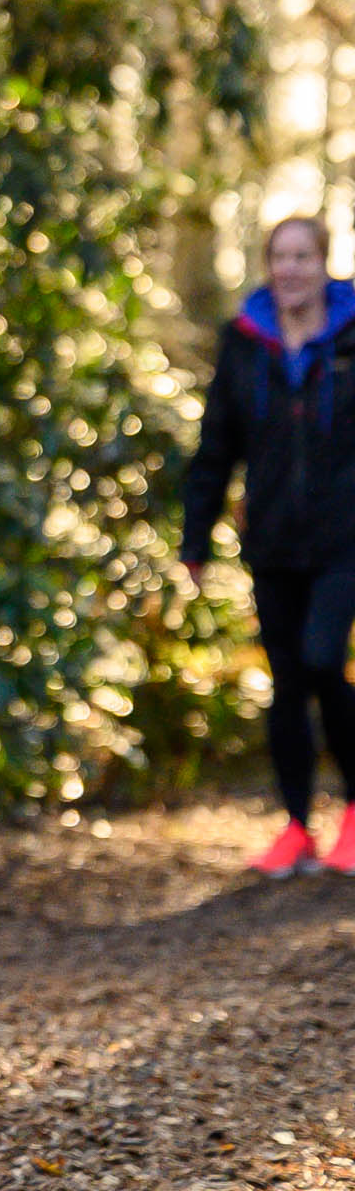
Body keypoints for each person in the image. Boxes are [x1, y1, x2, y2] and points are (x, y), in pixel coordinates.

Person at [182, 209, 355, 877]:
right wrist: (195, 537)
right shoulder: (245, 341)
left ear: (323, 263)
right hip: (273, 538)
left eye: (302, 257)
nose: (289, 269)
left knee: (320, 658)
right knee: (286, 680)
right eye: (279, 257)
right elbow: (216, 444)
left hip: (345, 537)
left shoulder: (349, 339)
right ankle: (294, 825)